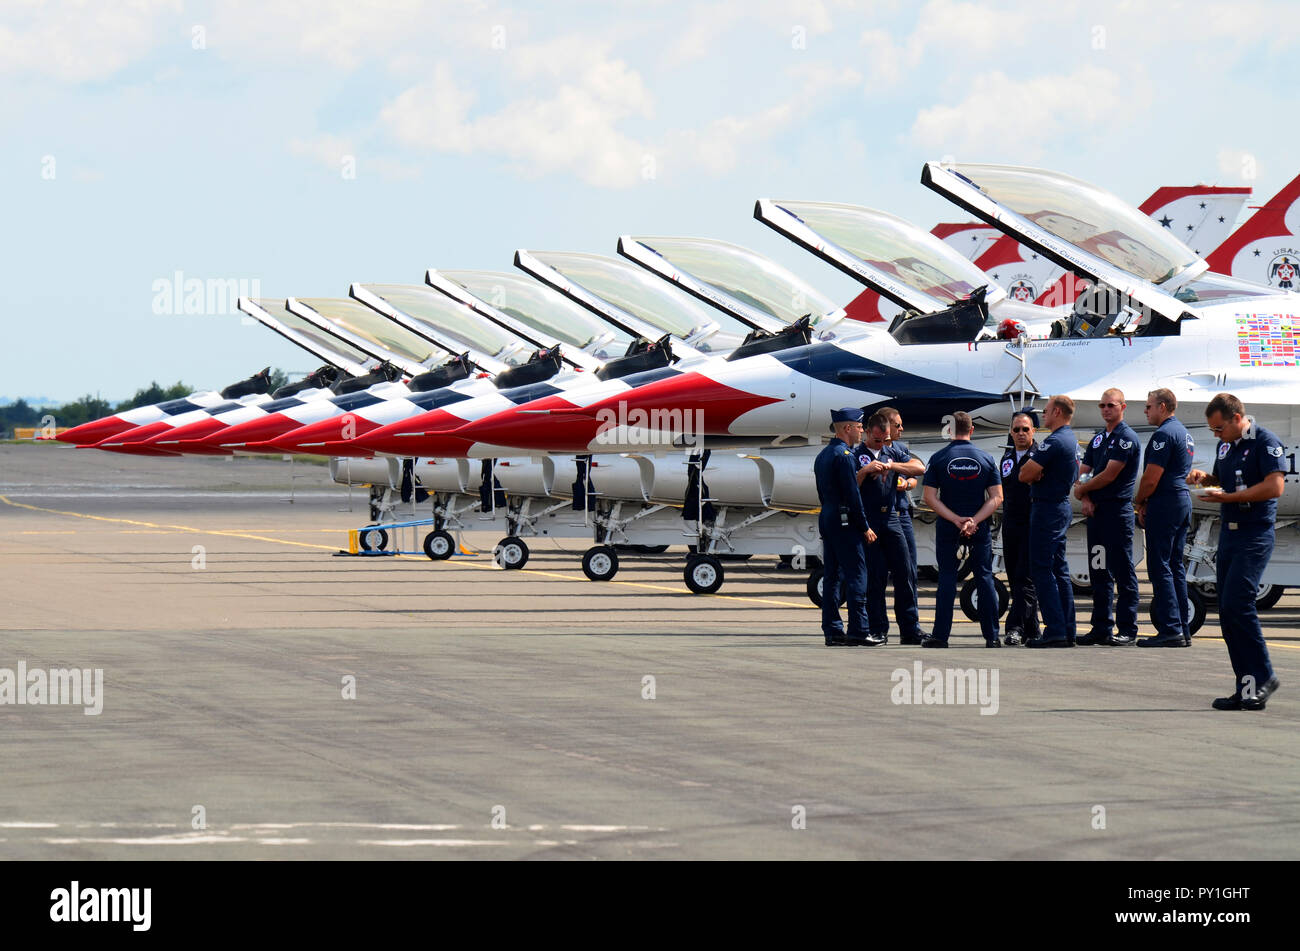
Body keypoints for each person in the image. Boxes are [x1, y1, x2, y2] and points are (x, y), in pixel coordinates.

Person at [1187, 394, 1285, 710]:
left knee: (1238, 604)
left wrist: (1227, 499)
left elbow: (1274, 487)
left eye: (1219, 428)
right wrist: (1204, 479)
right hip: (1229, 535)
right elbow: (1223, 482)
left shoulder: (1265, 441)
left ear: (1236, 418)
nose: (1216, 435)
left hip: (1254, 535)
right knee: (1228, 614)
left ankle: (1264, 677)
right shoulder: (1226, 446)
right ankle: (1246, 686)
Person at [921, 411, 1003, 647]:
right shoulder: (986, 459)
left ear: (949, 430)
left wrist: (955, 519)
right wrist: (974, 521)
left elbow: (929, 497)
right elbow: (997, 497)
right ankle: (992, 637)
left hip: (949, 526)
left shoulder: (938, 458)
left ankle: (940, 636)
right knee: (984, 577)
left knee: (947, 577)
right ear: (972, 430)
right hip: (979, 526)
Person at [1074, 388, 1141, 646]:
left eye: (1110, 405)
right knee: (1099, 570)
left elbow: (1110, 474)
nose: (1105, 410)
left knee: (1122, 570)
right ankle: (1101, 626)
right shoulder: (1098, 440)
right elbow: (1084, 471)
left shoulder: (1126, 438)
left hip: (1116, 511)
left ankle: (1127, 628)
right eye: (1102, 405)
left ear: (1122, 407)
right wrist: (1086, 497)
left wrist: (1082, 490)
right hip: (1096, 513)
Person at [813, 407, 882, 647]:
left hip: (829, 517)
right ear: (847, 428)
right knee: (857, 575)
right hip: (845, 521)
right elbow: (853, 495)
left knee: (832, 576)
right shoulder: (844, 456)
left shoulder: (823, 454)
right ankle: (859, 630)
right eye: (860, 427)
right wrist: (864, 526)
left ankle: (832, 630)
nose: (862, 431)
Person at [1133, 388, 1196, 647]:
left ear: (1162, 406)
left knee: (1160, 567)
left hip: (1166, 502)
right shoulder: (1183, 432)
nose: (1146, 411)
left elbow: (1151, 477)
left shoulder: (1163, 435)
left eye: (1148, 407)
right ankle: (1182, 627)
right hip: (1181, 501)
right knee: (1175, 567)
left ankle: (1170, 628)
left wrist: (1139, 502)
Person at [854, 411, 923, 644]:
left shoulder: (891, 451)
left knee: (905, 573)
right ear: (867, 432)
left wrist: (894, 466)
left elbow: (919, 468)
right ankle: (878, 629)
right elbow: (849, 486)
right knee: (876, 577)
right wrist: (866, 471)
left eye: (885, 440)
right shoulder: (856, 454)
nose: (881, 444)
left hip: (892, 516)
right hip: (870, 519)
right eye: (877, 440)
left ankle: (910, 628)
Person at [1019, 395, 1079, 647]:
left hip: (1047, 508)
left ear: (1056, 411)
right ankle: (1067, 628)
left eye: (1045, 411)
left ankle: (1055, 629)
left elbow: (1023, 474)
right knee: (1059, 570)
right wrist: (1036, 473)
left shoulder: (1054, 441)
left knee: (1042, 569)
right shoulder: (1071, 439)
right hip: (1059, 506)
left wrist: (1035, 474)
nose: (1042, 415)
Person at [999, 410, 1039, 646]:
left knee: (1026, 578)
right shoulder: (1007, 458)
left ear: (1033, 431)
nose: (1021, 434)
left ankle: (1014, 627)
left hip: (1032, 522)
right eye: (1016, 430)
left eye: (1025, 429)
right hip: (1011, 522)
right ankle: (1032, 629)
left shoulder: (1039, 455)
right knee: (1015, 577)